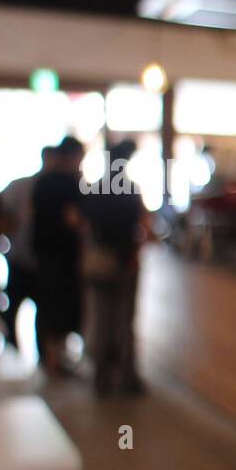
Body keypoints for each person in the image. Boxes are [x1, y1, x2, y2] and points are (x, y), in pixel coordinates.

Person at [83, 139, 146, 395]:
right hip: (123, 263)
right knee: (125, 321)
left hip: (99, 261)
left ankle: (101, 376)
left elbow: (84, 224)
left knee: (101, 317)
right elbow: (138, 227)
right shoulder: (130, 189)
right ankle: (126, 376)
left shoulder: (94, 188)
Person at [31, 136, 86, 374]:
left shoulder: (41, 182)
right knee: (62, 307)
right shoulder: (71, 183)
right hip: (64, 255)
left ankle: (48, 357)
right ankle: (57, 361)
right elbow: (73, 219)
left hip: (42, 252)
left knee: (46, 305)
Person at [0, 145, 56, 349]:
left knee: (41, 311)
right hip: (22, 257)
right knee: (13, 307)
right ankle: (11, 349)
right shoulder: (23, 186)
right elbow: (0, 215)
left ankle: (31, 353)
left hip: (37, 259)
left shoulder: (28, 186)